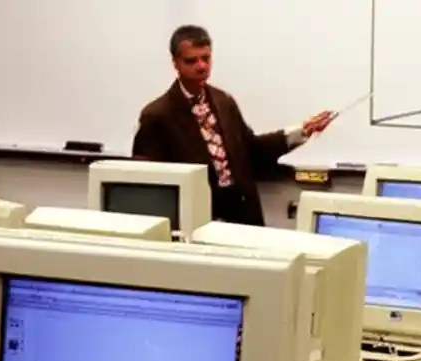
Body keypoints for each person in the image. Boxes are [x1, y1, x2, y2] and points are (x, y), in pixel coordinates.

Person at [132, 25, 334, 226]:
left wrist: (300, 132)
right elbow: (149, 184)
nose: (201, 66)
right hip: (196, 219)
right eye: (191, 60)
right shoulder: (157, 116)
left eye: (206, 58)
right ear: (175, 63)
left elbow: (251, 151)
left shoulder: (223, 101)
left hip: (241, 213)